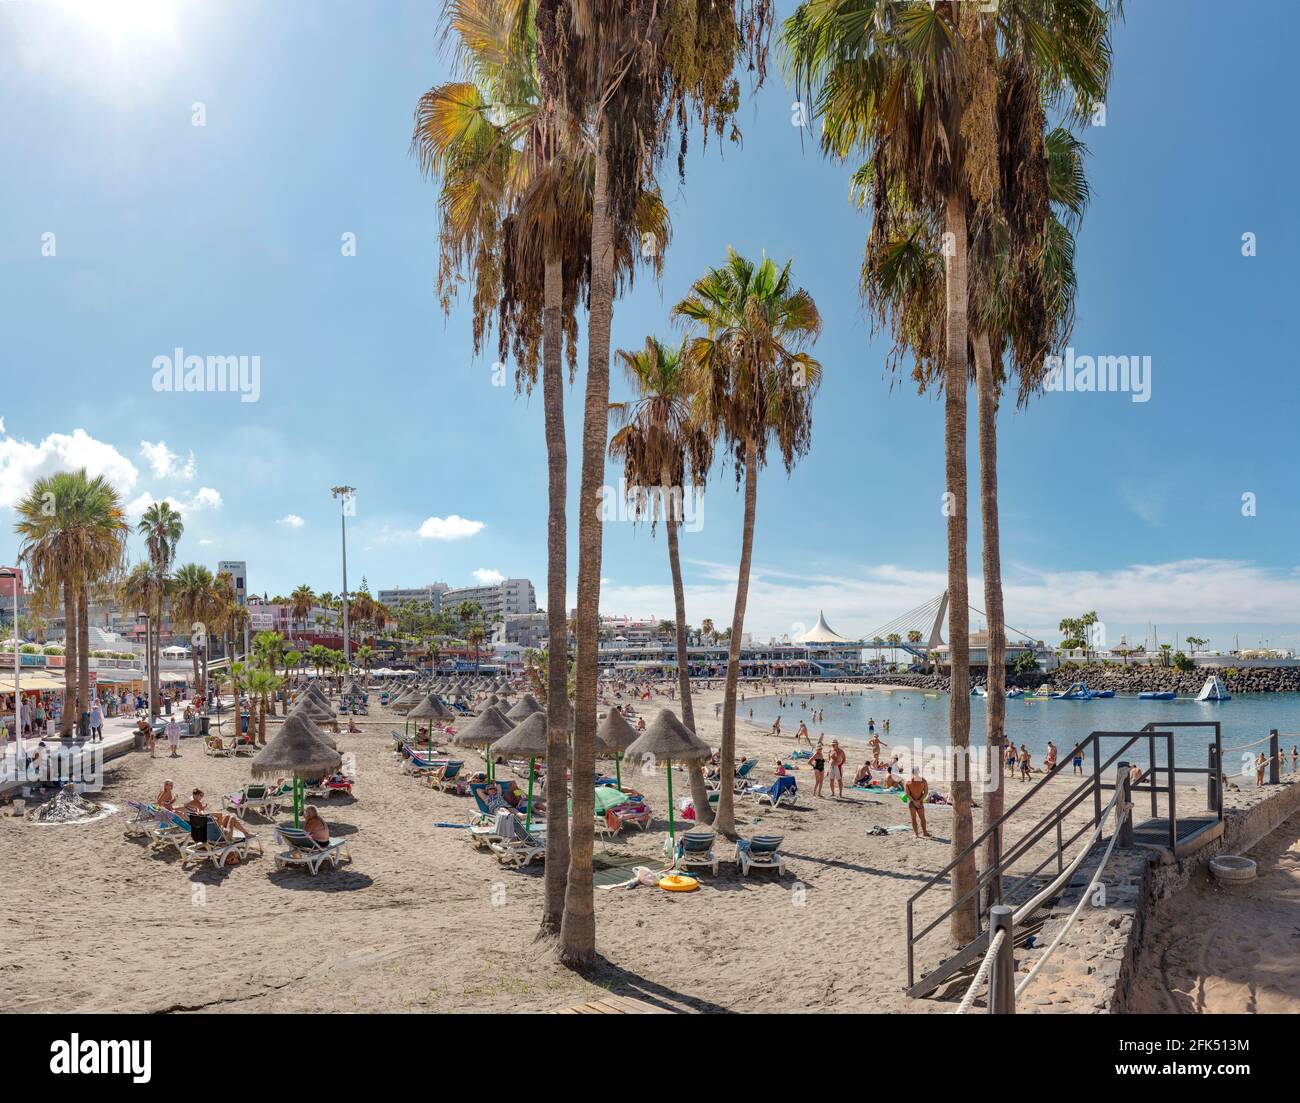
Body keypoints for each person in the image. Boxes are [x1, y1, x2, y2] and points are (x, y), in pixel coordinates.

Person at [904, 769, 931, 837]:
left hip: (912, 802)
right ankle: (924, 832)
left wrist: (914, 801)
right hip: (920, 802)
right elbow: (926, 792)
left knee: (913, 818)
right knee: (922, 818)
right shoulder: (923, 781)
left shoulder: (908, 782)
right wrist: (919, 801)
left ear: (912, 772)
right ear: (919, 772)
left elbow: (907, 794)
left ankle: (916, 834)